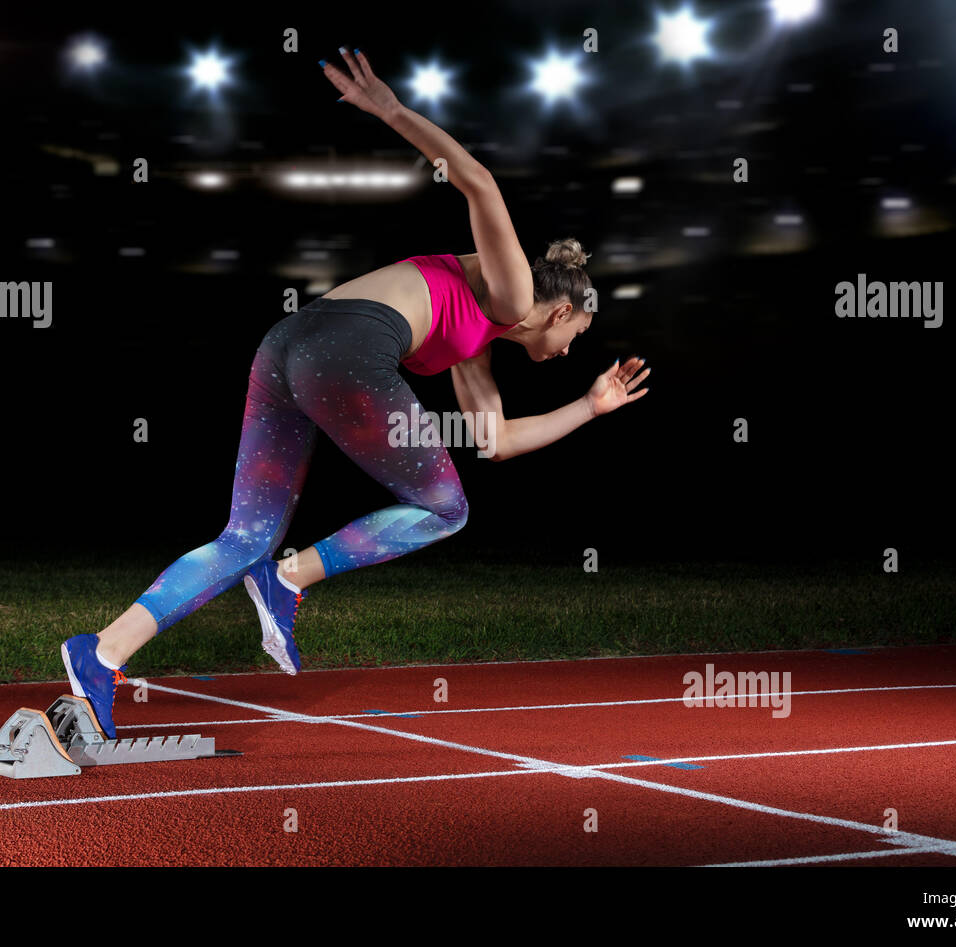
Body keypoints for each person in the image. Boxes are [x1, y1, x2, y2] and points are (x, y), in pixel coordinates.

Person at [62, 47, 650, 737]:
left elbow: (496, 443)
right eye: (577, 334)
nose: (570, 349)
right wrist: (393, 111)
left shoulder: (474, 342)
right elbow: (482, 186)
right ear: (559, 311)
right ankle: (289, 579)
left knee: (245, 535)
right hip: (344, 351)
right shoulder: (513, 288)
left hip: (285, 349)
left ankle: (100, 653)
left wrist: (589, 405)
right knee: (444, 508)